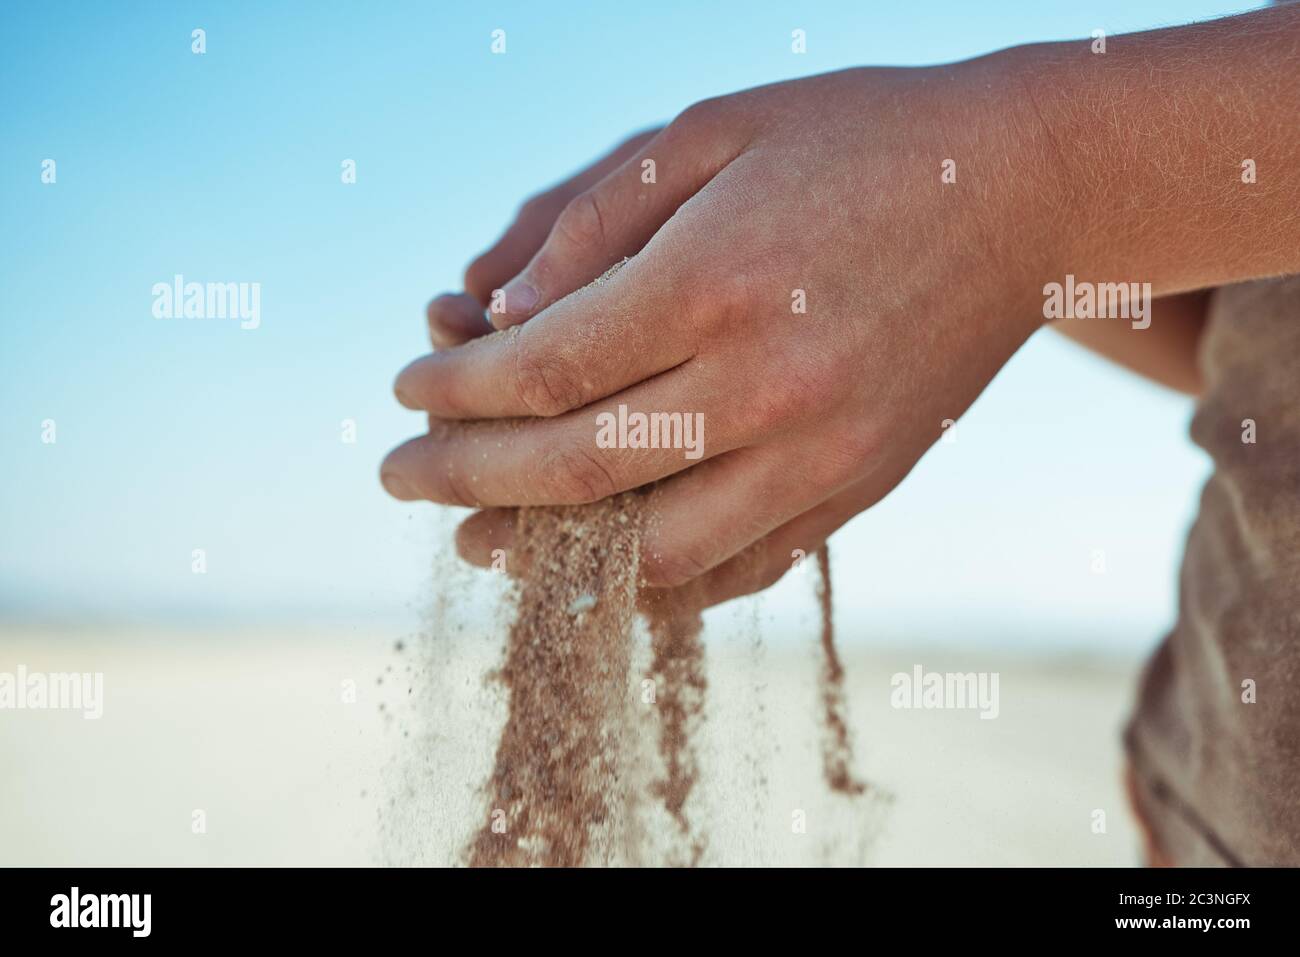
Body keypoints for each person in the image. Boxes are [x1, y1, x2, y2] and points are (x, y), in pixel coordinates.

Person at [381, 3, 1300, 865]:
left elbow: (1029, 211)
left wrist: (1010, 187)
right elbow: (1235, 336)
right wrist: (764, 221)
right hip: (1199, 809)